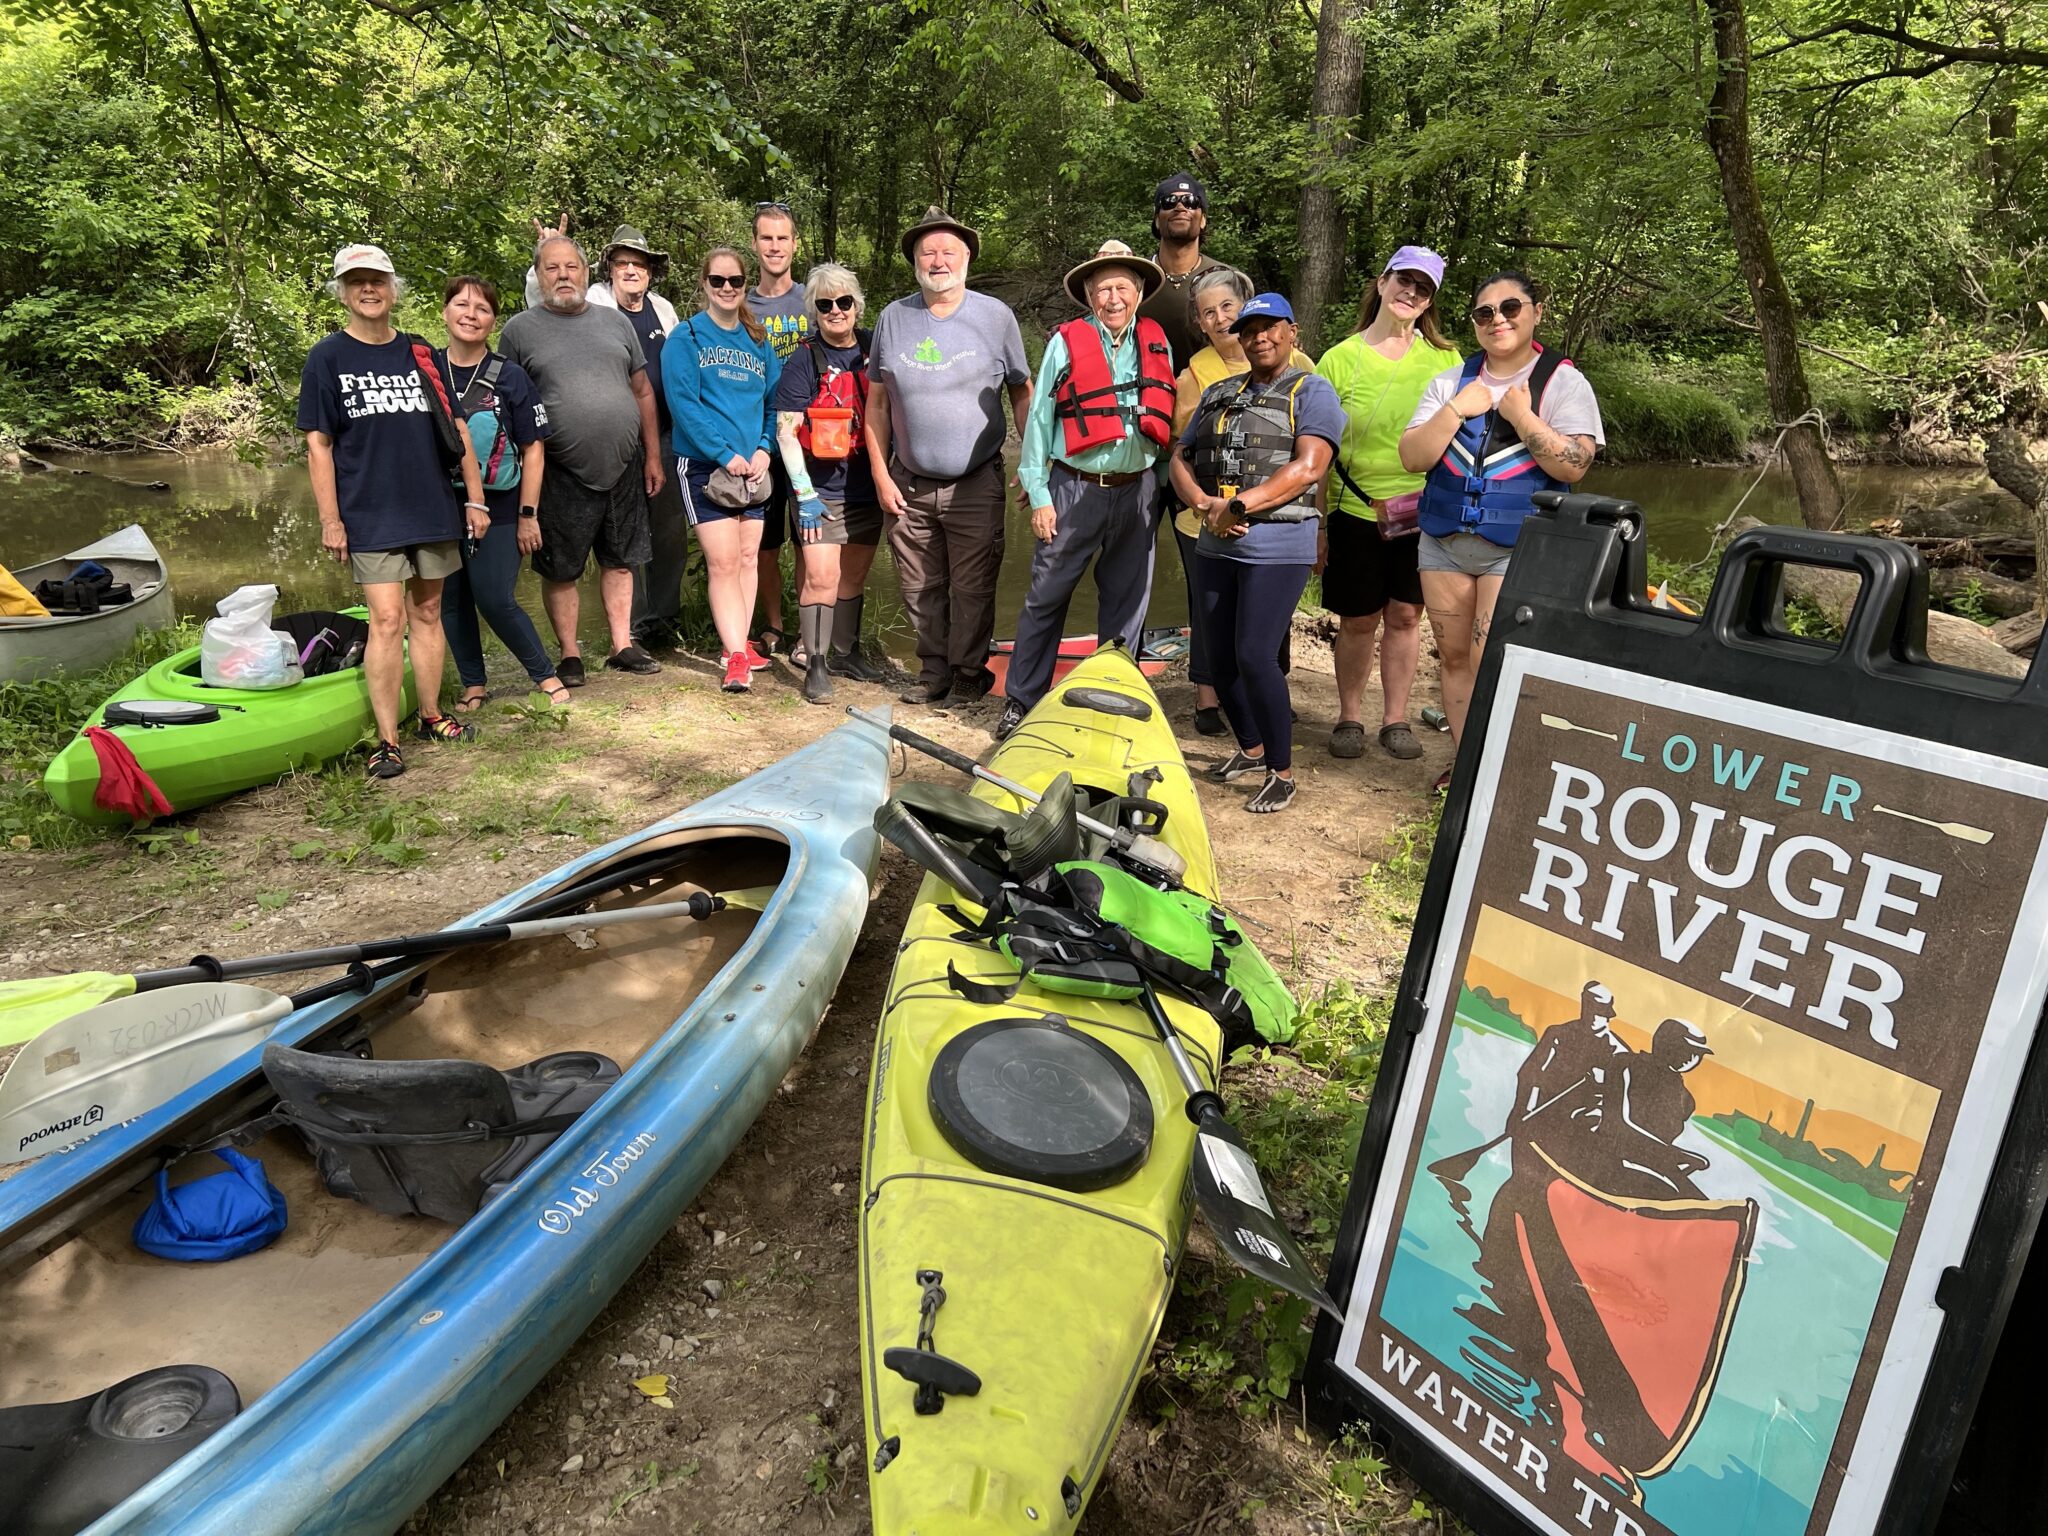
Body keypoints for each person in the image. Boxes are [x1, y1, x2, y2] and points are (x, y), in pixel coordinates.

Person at [1400, 270, 1602, 784]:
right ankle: (1466, 766)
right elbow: (1413, 457)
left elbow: (1575, 465)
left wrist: (1523, 417)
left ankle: (1503, 770)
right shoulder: (1452, 381)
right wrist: (1456, 410)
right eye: (1484, 312)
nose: (1498, 320)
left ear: (1536, 312)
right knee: (1453, 658)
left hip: (1517, 547)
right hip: (1443, 543)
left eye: (1510, 308)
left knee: (1491, 656)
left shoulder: (1562, 382)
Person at [298, 242, 490, 780]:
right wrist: (331, 519)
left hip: (431, 504)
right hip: (369, 512)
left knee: (428, 612)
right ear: (342, 292)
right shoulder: (327, 357)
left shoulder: (420, 352)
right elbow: (319, 445)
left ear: (392, 289)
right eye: (356, 281)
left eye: (377, 280)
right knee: (386, 619)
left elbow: (457, 428)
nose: (368, 289)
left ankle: (430, 715)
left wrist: (475, 497)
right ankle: (386, 740)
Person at [1168, 294, 1344, 814]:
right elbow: (1180, 455)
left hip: (1279, 545)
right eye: (1249, 330)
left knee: (1254, 655)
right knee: (1217, 658)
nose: (1259, 337)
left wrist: (1239, 505)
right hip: (1214, 541)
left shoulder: (1312, 391)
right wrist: (1203, 503)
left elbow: (1310, 466)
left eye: (1270, 328)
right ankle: (1251, 748)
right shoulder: (1218, 392)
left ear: (1291, 332)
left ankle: (1281, 773)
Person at [1003, 241, 1174, 739]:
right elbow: (1040, 419)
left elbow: (1166, 417)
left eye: (1122, 287)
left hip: (1138, 487)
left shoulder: (1156, 341)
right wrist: (1039, 493)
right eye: (1103, 289)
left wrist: (1163, 491)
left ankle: (1114, 698)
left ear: (1138, 293)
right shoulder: (1066, 342)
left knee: (1127, 602)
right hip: (1074, 488)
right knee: (1046, 596)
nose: (1113, 298)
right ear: (1089, 296)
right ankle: (1021, 701)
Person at [866, 206, 1032, 705]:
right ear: (915, 261)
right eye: (928, 253)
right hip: (908, 481)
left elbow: (1022, 393)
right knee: (919, 586)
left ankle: (968, 673)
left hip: (976, 481)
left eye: (948, 252)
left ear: (967, 258)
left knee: (974, 587)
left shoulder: (996, 317)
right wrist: (880, 474)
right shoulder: (893, 317)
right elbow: (876, 403)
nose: (938, 261)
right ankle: (933, 673)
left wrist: (1033, 462)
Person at [1316, 247, 1460, 763]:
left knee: (1405, 615)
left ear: (1429, 302)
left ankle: (1395, 719)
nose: (1411, 293)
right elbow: (1318, 451)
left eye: (1423, 288)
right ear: (1382, 283)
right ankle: (1349, 717)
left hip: (1425, 512)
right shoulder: (1338, 359)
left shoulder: (1447, 361)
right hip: (1355, 510)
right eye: (1404, 280)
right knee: (1358, 619)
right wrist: (1319, 524)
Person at [500, 234, 667, 682]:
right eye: (552, 268)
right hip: (557, 470)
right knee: (562, 567)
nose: (563, 275)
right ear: (539, 276)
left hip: (624, 464)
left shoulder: (616, 323)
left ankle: (622, 644)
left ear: (586, 272)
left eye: (571, 266)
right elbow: (505, 403)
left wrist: (653, 456)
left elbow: (643, 391)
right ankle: (570, 654)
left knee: (621, 559)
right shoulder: (519, 331)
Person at [1169, 268, 1315, 737]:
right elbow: (1181, 447)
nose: (1218, 319)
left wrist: (1319, 524)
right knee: (1210, 616)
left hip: (1276, 523)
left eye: (1226, 307)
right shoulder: (1195, 375)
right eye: (1208, 312)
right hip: (1204, 519)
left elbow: (1313, 456)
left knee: (1267, 623)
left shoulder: (1303, 370)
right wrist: (1205, 505)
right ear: (1200, 322)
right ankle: (1209, 698)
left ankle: (1268, 698)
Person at [433, 275, 568, 712]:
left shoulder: (510, 376)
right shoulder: (427, 371)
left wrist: (529, 514)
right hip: (438, 505)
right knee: (452, 601)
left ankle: (544, 673)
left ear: (493, 321)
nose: (471, 315)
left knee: (494, 597)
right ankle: (473, 683)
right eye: (461, 305)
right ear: (445, 312)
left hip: (502, 505)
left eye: (483, 309)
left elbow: (534, 448)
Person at [664, 247, 782, 693]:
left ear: (746, 284)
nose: (727, 288)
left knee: (749, 558)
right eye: (718, 280)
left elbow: (774, 403)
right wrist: (723, 453)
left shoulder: (758, 340)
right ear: (705, 283)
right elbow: (684, 405)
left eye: (735, 280)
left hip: (753, 469)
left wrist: (765, 449)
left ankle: (740, 645)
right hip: (705, 467)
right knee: (724, 561)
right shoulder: (687, 337)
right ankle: (734, 657)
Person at [773, 262, 887, 703]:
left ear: (857, 305)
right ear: (814, 311)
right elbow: (786, 433)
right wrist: (804, 495)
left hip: (867, 486)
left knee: (853, 577)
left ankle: (846, 653)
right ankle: (816, 663)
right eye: (825, 304)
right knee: (821, 577)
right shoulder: (804, 359)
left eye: (843, 302)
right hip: (820, 490)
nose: (836, 311)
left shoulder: (876, 347)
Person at [748, 202, 812, 657]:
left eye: (782, 238)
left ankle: (810, 632)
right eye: (766, 238)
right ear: (755, 244)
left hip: (810, 442)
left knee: (810, 539)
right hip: (760, 440)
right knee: (765, 544)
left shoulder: (814, 300)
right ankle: (773, 626)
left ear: (795, 244)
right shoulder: (740, 303)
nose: (774, 246)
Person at [1138, 173, 1228, 372]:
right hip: (1146, 389)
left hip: (1212, 388)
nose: (1180, 207)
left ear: (1203, 220)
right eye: (1169, 202)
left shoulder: (1225, 279)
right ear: (1157, 220)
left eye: (1191, 202)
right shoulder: (1134, 280)